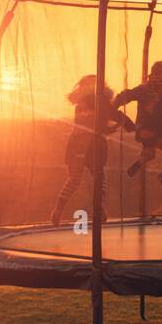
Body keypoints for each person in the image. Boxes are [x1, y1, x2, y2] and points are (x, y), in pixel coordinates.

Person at [50, 75, 134, 225]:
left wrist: (113, 126)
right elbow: (109, 119)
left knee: (74, 179)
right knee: (99, 178)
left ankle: (59, 208)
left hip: (77, 144)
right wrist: (126, 124)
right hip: (94, 146)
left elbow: (92, 125)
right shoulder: (100, 101)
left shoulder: (80, 105)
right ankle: (99, 208)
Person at [115, 60, 162, 195]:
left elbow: (126, 95)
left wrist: (114, 104)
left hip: (147, 132)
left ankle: (142, 159)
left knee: (149, 151)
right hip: (161, 133)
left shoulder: (151, 91)